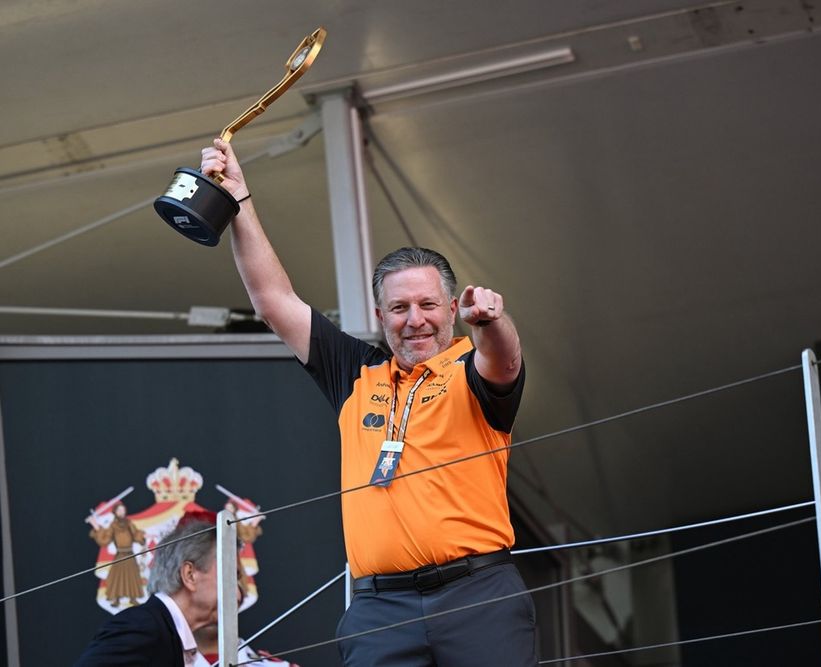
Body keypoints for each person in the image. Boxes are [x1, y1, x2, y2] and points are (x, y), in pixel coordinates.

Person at [200, 139, 537, 666]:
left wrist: (494, 321)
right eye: (399, 307)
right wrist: (239, 200)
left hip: (477, 595)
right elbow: (273, 301)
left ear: (452, 310)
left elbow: (506, 362)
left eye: (428, 304)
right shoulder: (357, 372)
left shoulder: (471, 365)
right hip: (381, 607)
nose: (415, 319)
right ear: (381, 317)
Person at [75, 512, 221, 667]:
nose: (239, 593)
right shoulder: (143, 627)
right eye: (231, 574)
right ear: (190, 575)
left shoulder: (170, 636)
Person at [87, 502, 147, 608]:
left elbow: (136, 534)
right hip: (120, 554)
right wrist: (96, 527)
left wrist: (143, 535)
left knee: (131, 577)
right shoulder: (113, 526)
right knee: (117, 578)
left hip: (130, 554)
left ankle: (133, 598)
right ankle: (116, 599)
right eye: (119, 510)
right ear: (115, 512)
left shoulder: (129, 523)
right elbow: (105, 539)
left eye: (123, 510)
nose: (122, 512)